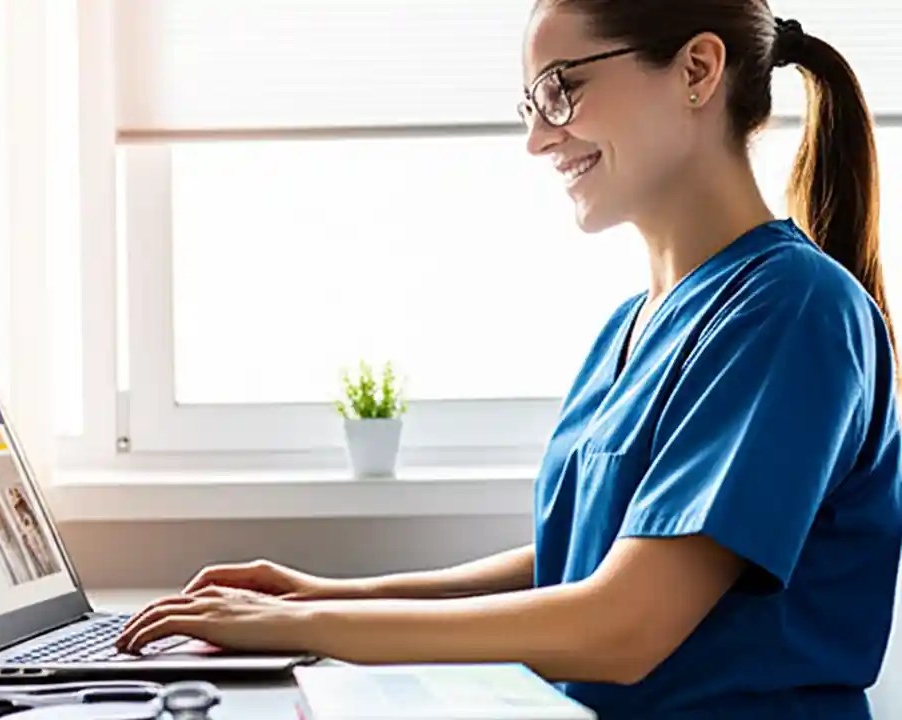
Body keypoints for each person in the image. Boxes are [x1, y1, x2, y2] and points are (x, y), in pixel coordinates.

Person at [115, 2, 902, 717]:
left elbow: (626, 622)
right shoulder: (631, 326)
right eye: (530, 105)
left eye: (561, 90)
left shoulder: (793, 309)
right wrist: (342, 594)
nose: (537, 137)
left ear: (697, 71)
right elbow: (585, 560)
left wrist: (309, 624)